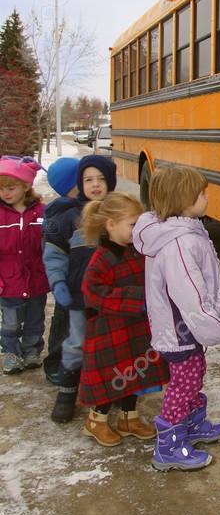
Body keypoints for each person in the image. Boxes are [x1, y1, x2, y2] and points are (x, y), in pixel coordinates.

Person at [133, 165, 220, 471]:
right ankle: (168, 447)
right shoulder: (178, 242)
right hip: (182, 329)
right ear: (183, 200)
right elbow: (189, 293)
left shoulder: (186, 230)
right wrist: (214, 327)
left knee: (193, 375)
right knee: (184, 384)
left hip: (185, 328)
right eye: (202, 193)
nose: (206, 198)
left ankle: (190, 426)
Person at [79, 192, 169, 447]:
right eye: (132, 225)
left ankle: (129, 418)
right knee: (111, 378)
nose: (136, 230)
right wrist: (139, 297)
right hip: (109, 331)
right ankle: (96, 421)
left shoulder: (135, 250)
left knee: (134, 373)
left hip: (134, 328)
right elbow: (94, 292)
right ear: (111, 224)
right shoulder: (102, 258)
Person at [44, 155, 117, 423]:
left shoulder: (120, 211)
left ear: (111, 181)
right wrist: (59, 282)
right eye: (88, 180)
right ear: (79, 183)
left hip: (113, 299)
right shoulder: (67, 217)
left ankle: (110, 393)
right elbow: (53, 254)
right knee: (75, 345)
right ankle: (66, 394)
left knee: (111, 348)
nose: (95, 184)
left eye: (101, 179)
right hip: (79, 298)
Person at [0, 156, 49, 374]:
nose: (5, 193)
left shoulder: (42, 212)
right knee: (10, 324)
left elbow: (50, 244)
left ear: (26, 186)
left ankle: (31, 351)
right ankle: (11, 354)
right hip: (8, 282)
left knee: (34, 321)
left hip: (36, 280)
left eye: (10, 188)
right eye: (1, 189)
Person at [42, 157, 79, 384]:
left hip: (89, 280)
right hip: (68, 282)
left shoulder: (95, 207)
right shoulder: (59, 216)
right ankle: (55, 363)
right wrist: (58, 282)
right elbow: (52, 254)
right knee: (63, 324)